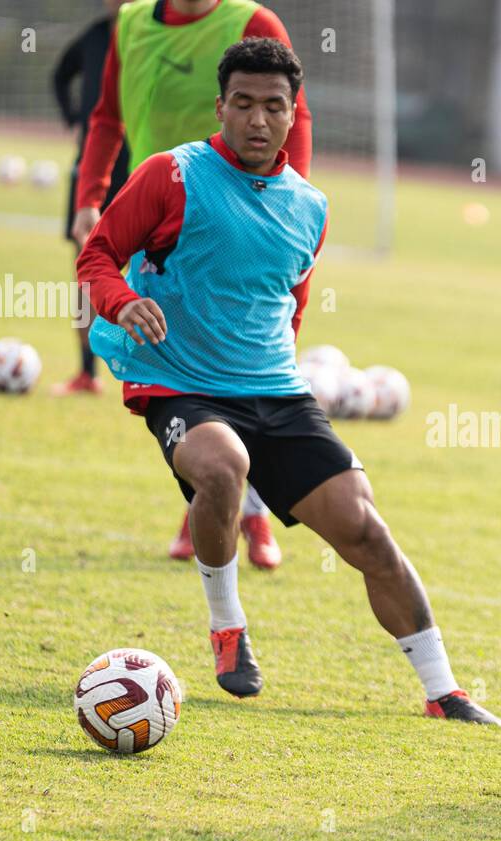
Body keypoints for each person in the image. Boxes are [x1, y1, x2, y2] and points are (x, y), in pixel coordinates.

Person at [76, 38, 501, 725]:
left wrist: (285, 382)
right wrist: (122, 302)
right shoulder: (171, 175)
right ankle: (228, 627)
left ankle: (443, 690)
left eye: (273, 107)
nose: (256, 119)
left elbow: (292, 305)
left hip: (276, 391)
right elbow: (97, 255)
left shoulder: (310, 206)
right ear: (220, 107)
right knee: (222, 468)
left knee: (366, 532)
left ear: (292, 113)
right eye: (242, 104)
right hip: (180, 383)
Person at [73, 0, 316, 568]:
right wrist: (91, 195)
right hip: (161, 223)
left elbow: (296, 117)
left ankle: (232, 511)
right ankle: (225, 505)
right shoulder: (130, 22)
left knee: (244, 376)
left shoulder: (252, 22)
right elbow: (108, 116)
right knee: (180, 378)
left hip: (243, 224)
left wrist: (286, 209)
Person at [50, 0, 130, 398]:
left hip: (140, 165)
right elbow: (59, 76)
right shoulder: (93, 37)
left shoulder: (155, 37)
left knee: (152, 268)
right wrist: (74, 119)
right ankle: (86, 372)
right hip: (93, 168)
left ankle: (153, 375)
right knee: (85, 266)